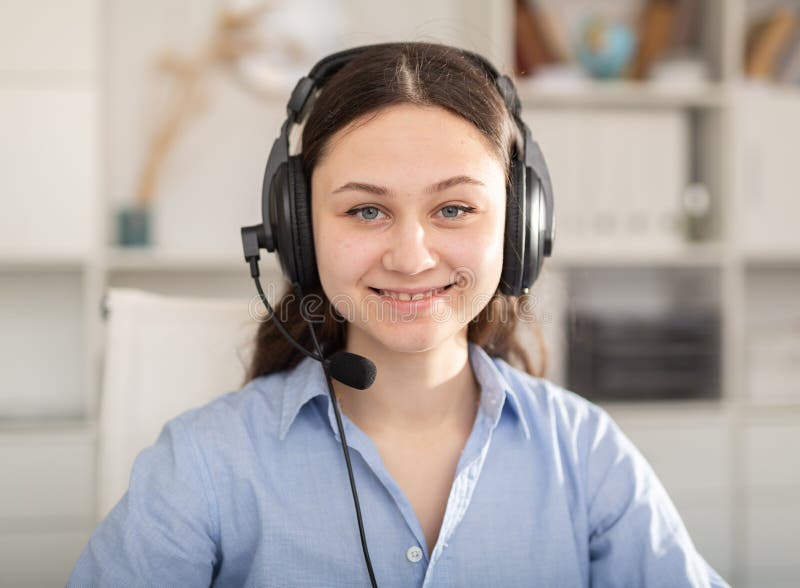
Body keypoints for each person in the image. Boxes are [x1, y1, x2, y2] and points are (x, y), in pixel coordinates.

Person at [68, 42, 729, 587]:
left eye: (454, 209)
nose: (411, 258)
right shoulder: (205, 464)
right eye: (366, 210)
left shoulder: (586, 455)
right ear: (296, 231)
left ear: (520, 229)